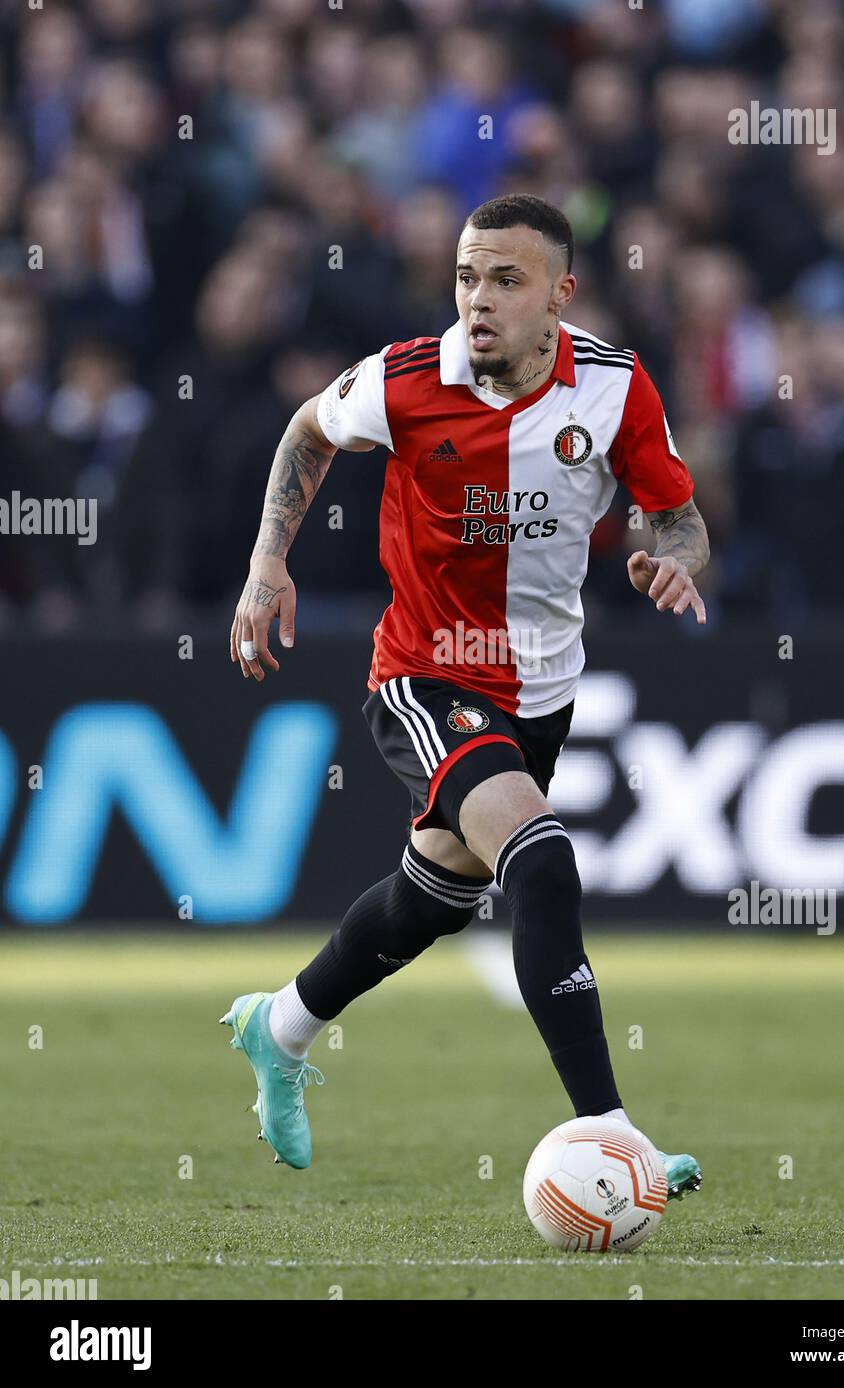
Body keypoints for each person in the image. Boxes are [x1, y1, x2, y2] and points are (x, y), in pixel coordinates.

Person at [221, 195, 708, 1204]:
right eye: (465, 278)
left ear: (560, 296)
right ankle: (613, 1131)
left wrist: (672, 557)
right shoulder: (405, 379)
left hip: (544, 691)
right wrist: (270, 560)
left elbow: (679, 515)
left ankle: (279, 1028)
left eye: (505, 280)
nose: (476, 302)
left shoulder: (614, 389)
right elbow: (309, 431)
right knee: (541, 855)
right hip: (425, 671)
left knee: (431, 895)